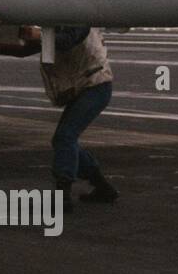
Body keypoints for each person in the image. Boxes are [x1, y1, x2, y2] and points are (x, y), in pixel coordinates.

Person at [19, 26, 118, 211]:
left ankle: (62, 197)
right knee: (64, 139)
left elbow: (67, 40)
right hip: (86, 86)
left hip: (95, 86)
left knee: (65, 137)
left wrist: (36, 35)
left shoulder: (79, 14)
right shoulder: (58, 17)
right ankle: (103, 188)